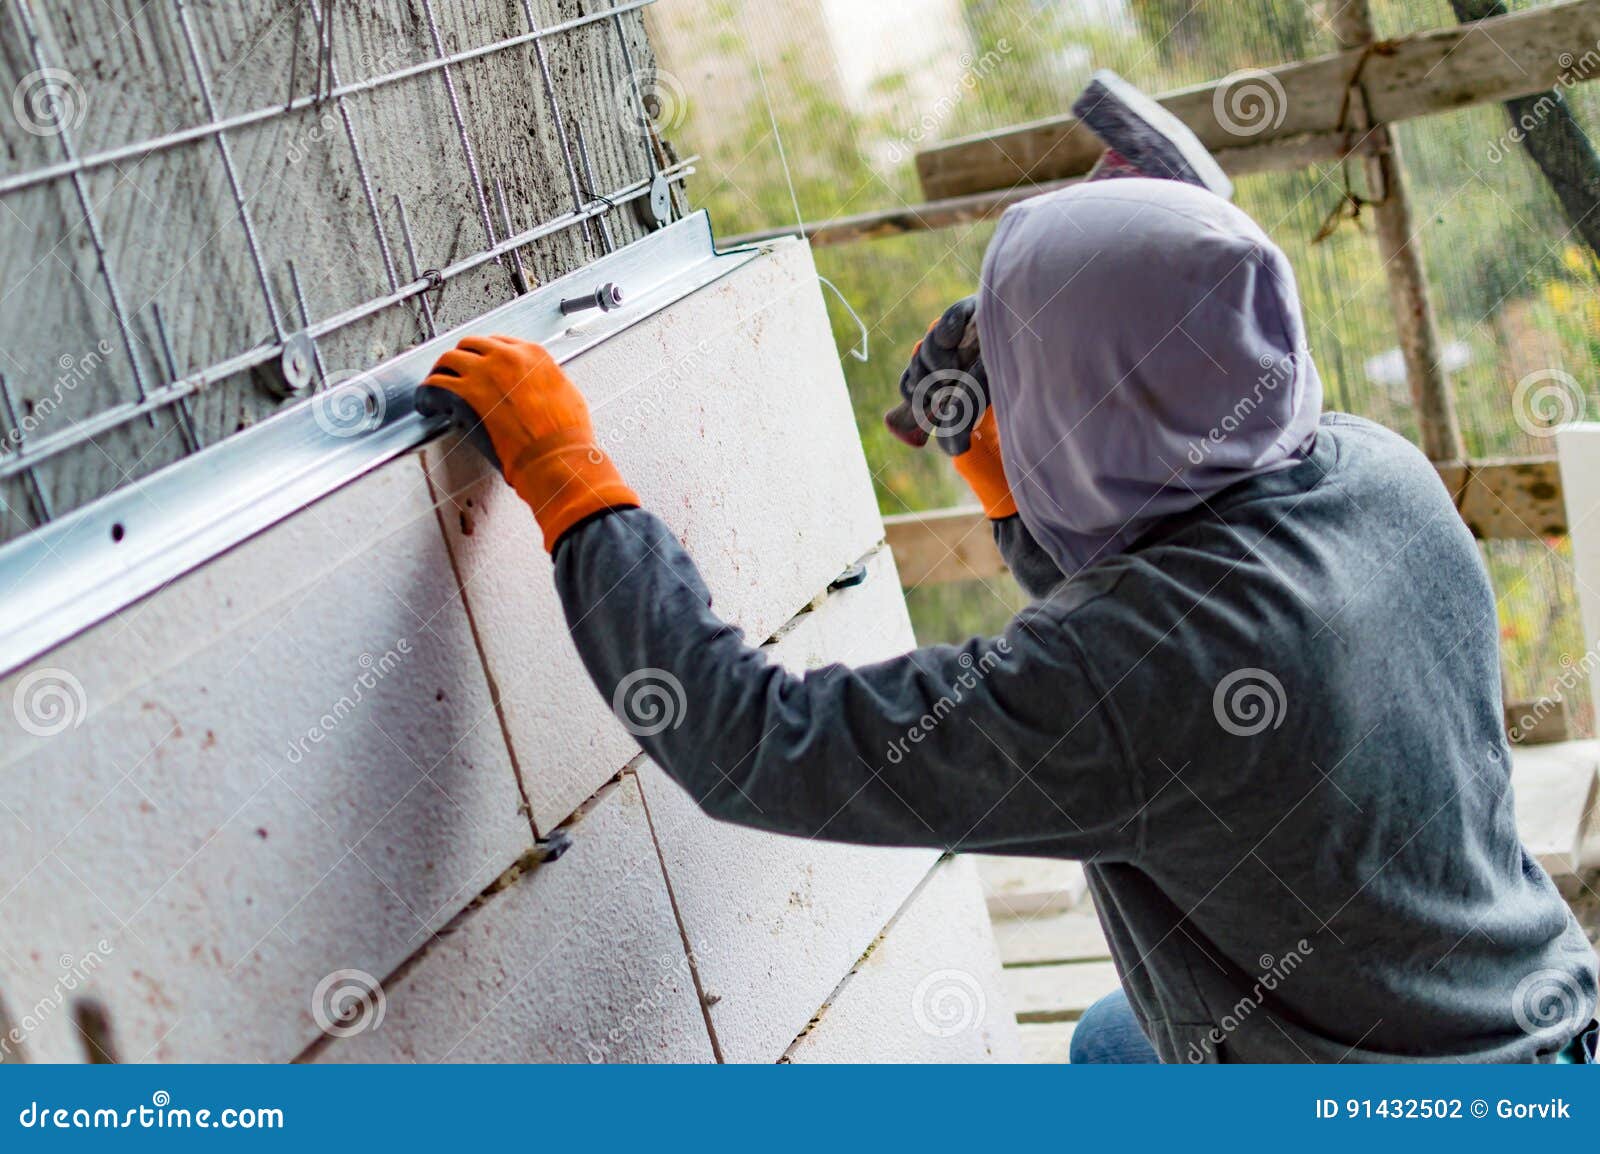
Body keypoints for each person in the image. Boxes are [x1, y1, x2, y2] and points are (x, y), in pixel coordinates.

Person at [415, 176, 1597, 1063]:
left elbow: (752, 746)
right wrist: (1006, 478)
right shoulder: (1371, 473)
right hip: (1543, 1028)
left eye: (1028, 366)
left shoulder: (1147, 666)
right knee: (1107, 1043)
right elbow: (1172, 672)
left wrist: (574, 484)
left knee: (1105, 1053)